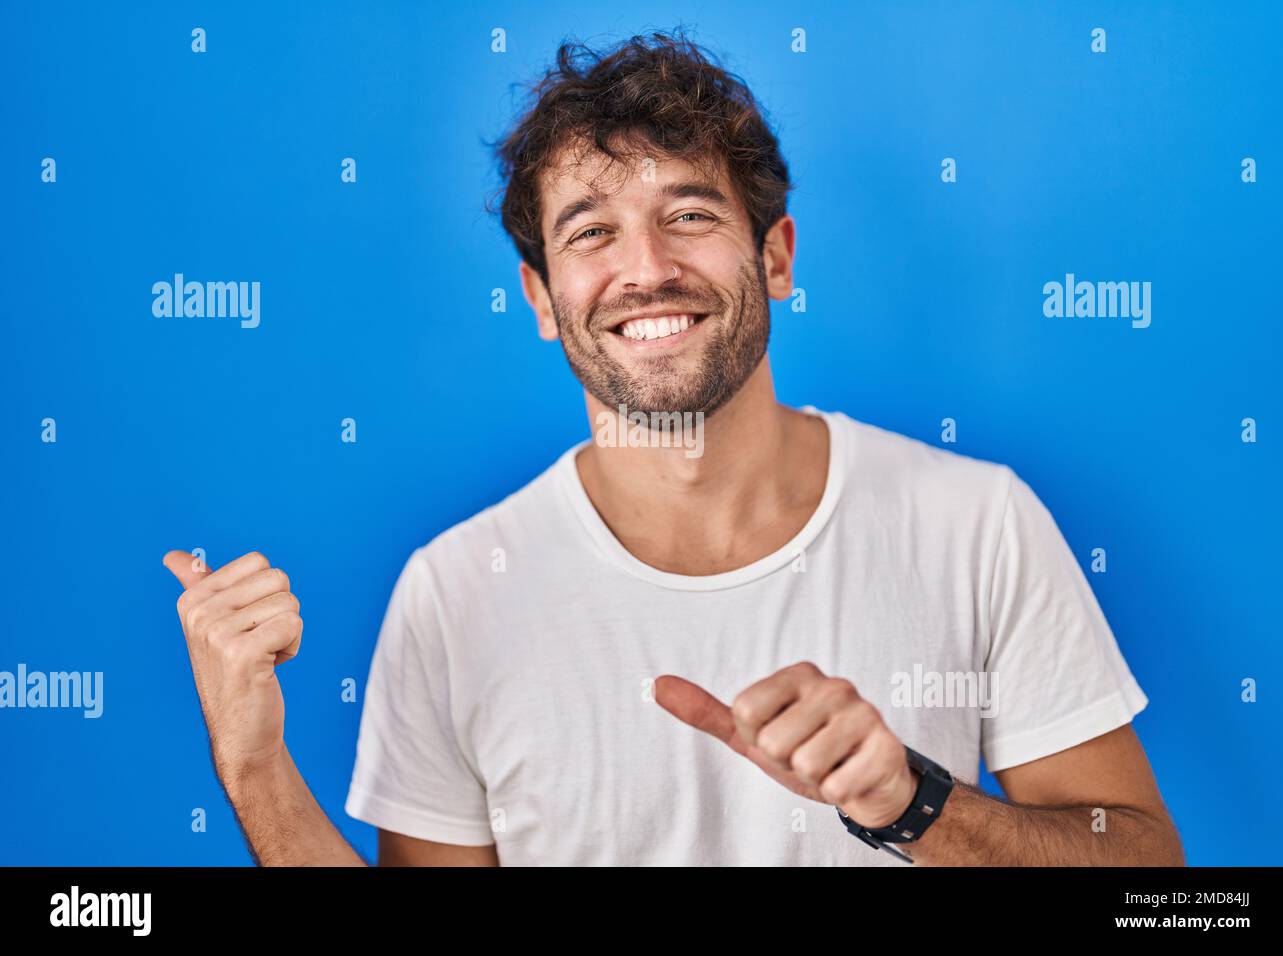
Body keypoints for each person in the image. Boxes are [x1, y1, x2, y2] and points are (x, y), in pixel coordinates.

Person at [162, 30, 1181, 866]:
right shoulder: (453, 593)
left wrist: (912, 803)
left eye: (688, 214)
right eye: (590, 233)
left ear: (774, 255)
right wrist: (255, 769)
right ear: (543, 303)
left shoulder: (974, 521)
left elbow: (1150, 889)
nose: (645, 270)